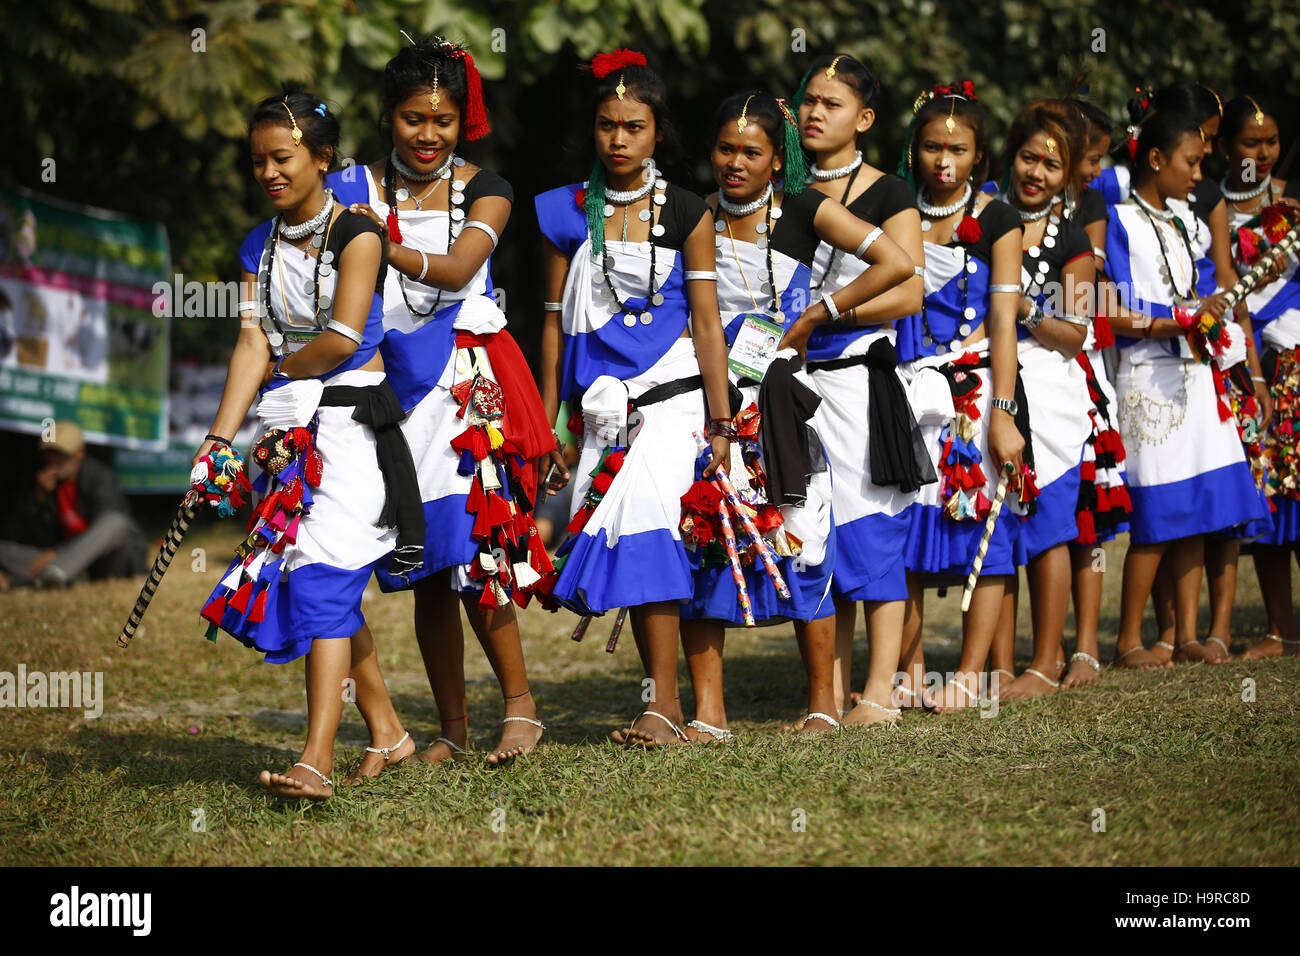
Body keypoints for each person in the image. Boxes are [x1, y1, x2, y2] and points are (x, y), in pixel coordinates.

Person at [332, 35, 553, 767]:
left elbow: (459, 269)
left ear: (464, 123)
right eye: (412, 119)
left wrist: (369, 241)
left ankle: (521, 710)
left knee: (477, 552)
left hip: (463, 389)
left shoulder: (486, 187)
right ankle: (452, 729)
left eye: (444, 121)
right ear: (388, 117)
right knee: (426, 564)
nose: (428, 135)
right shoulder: (350, 187)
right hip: (388, 390)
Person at [197, 91, 420, 799]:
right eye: (258, 159)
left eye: (282, 157)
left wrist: (280, 381)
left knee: (322, 575)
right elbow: (252, 339)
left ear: (322, 159)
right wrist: (219, 439)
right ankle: (388, 731)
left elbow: (344, 339)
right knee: (318, 573)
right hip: (289, 427)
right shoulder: (255, 247)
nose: (268, 171)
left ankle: (315, 758)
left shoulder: (357, 233)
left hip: (352, 428)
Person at [676, 89, 913, 739]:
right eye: (726, 148)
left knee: (804, 540)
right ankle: (709, 713)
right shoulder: (694, 216)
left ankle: (820, 706)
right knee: (704, 538)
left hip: (785, 402)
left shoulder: (807, 209)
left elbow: (897, 262)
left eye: (752, 152)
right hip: (713, 401)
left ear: (778, 160)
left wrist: (819, 313)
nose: (736, 162)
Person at [535, 49, 732, 747]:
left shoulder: (686, 212)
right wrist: (552, 421)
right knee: (630, 538)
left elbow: (707, 323)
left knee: (648, 518)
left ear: (657, 132)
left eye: (634, 126)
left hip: (675, 399)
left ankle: (664, 707)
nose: (618, 139)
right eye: (606, 125)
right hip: (600, 412)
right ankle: (666, 707)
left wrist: (721, 421)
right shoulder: (563, 210)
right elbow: (555, 323)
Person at [1103, 105, 1268, 670]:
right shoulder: (1120, 219)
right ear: (1155, 158)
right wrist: (1178, 316)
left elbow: (1197, 286)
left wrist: (1208, 314)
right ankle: (1128, 639)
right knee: (1157, 507)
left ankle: (1183, 637)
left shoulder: (1181, 221)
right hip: (1149, 376)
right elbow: (1114, 304)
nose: (1200, 175)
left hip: (1196, 374)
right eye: (1191, 162)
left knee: (1197, 504)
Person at [795, 54, 930, 723]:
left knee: (871, 528)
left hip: (856, 376)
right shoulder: (782, 186)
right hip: (790, 380)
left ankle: (881, 692)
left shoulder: (888, 193)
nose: (815, 113)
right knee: (813, 530)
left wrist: (826, 311)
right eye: (808, 100)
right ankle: (829, 693)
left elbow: (910, 290)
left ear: (865, 118)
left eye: (833, 103)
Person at [894, 83, 1028, 711]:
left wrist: (1002, 412)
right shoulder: (893, 209)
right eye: (930, 147)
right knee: (904, 527)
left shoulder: (999, 219)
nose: (943, 162)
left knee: (985, 532)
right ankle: (912, 667)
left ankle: (972, 673)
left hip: (978, 388)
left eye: (958, 149)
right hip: (904, 383)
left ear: (979, 157)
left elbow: (1004, 321)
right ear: (913, 150)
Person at [987, 100, 1094, 701]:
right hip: (984, 381)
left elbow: (1076, 332)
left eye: (1052, 166)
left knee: (1049, 524)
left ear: (1069, 174)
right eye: (1029, 157)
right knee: (997, 521)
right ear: (1011, 154)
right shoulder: (982, 217)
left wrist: (1022, 308)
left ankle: (1045, 662)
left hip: (1049, 391)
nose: (1037, 173)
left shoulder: (1072, 239)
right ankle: (999, 666)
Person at [1217, 94, 1300, 659]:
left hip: (1294, 359)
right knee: (1268, 495)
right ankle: (1281, 629)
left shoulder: (1293, 208)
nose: (1263, 153)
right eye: (1251, 142)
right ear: (1225, 147)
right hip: (1245, 368)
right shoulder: (1207, 208)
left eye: (1271, 141)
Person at [1057, 98, 1131, 687]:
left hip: (1077, 368)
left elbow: (1089, 299)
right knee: (1041, 513)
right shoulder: (1004, 201)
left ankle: (1084, 648)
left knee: (1085, 513)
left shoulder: (1091, 204)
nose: (1097, 170)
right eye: (1092, 158)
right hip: (1021, 366)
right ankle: (1038, 652)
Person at [0, 420, 147, 590]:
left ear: (80, 453)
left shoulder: (100, 478)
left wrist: (58, 553)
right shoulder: (44, 484)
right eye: (49, 453)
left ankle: (47, 575)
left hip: (104, 563)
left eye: (61, 453)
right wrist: (39, 499)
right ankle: (51, 575)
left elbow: (109, 533)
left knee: (115, 522)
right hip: (58, 559)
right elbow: (33, 541)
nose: (54, 460)